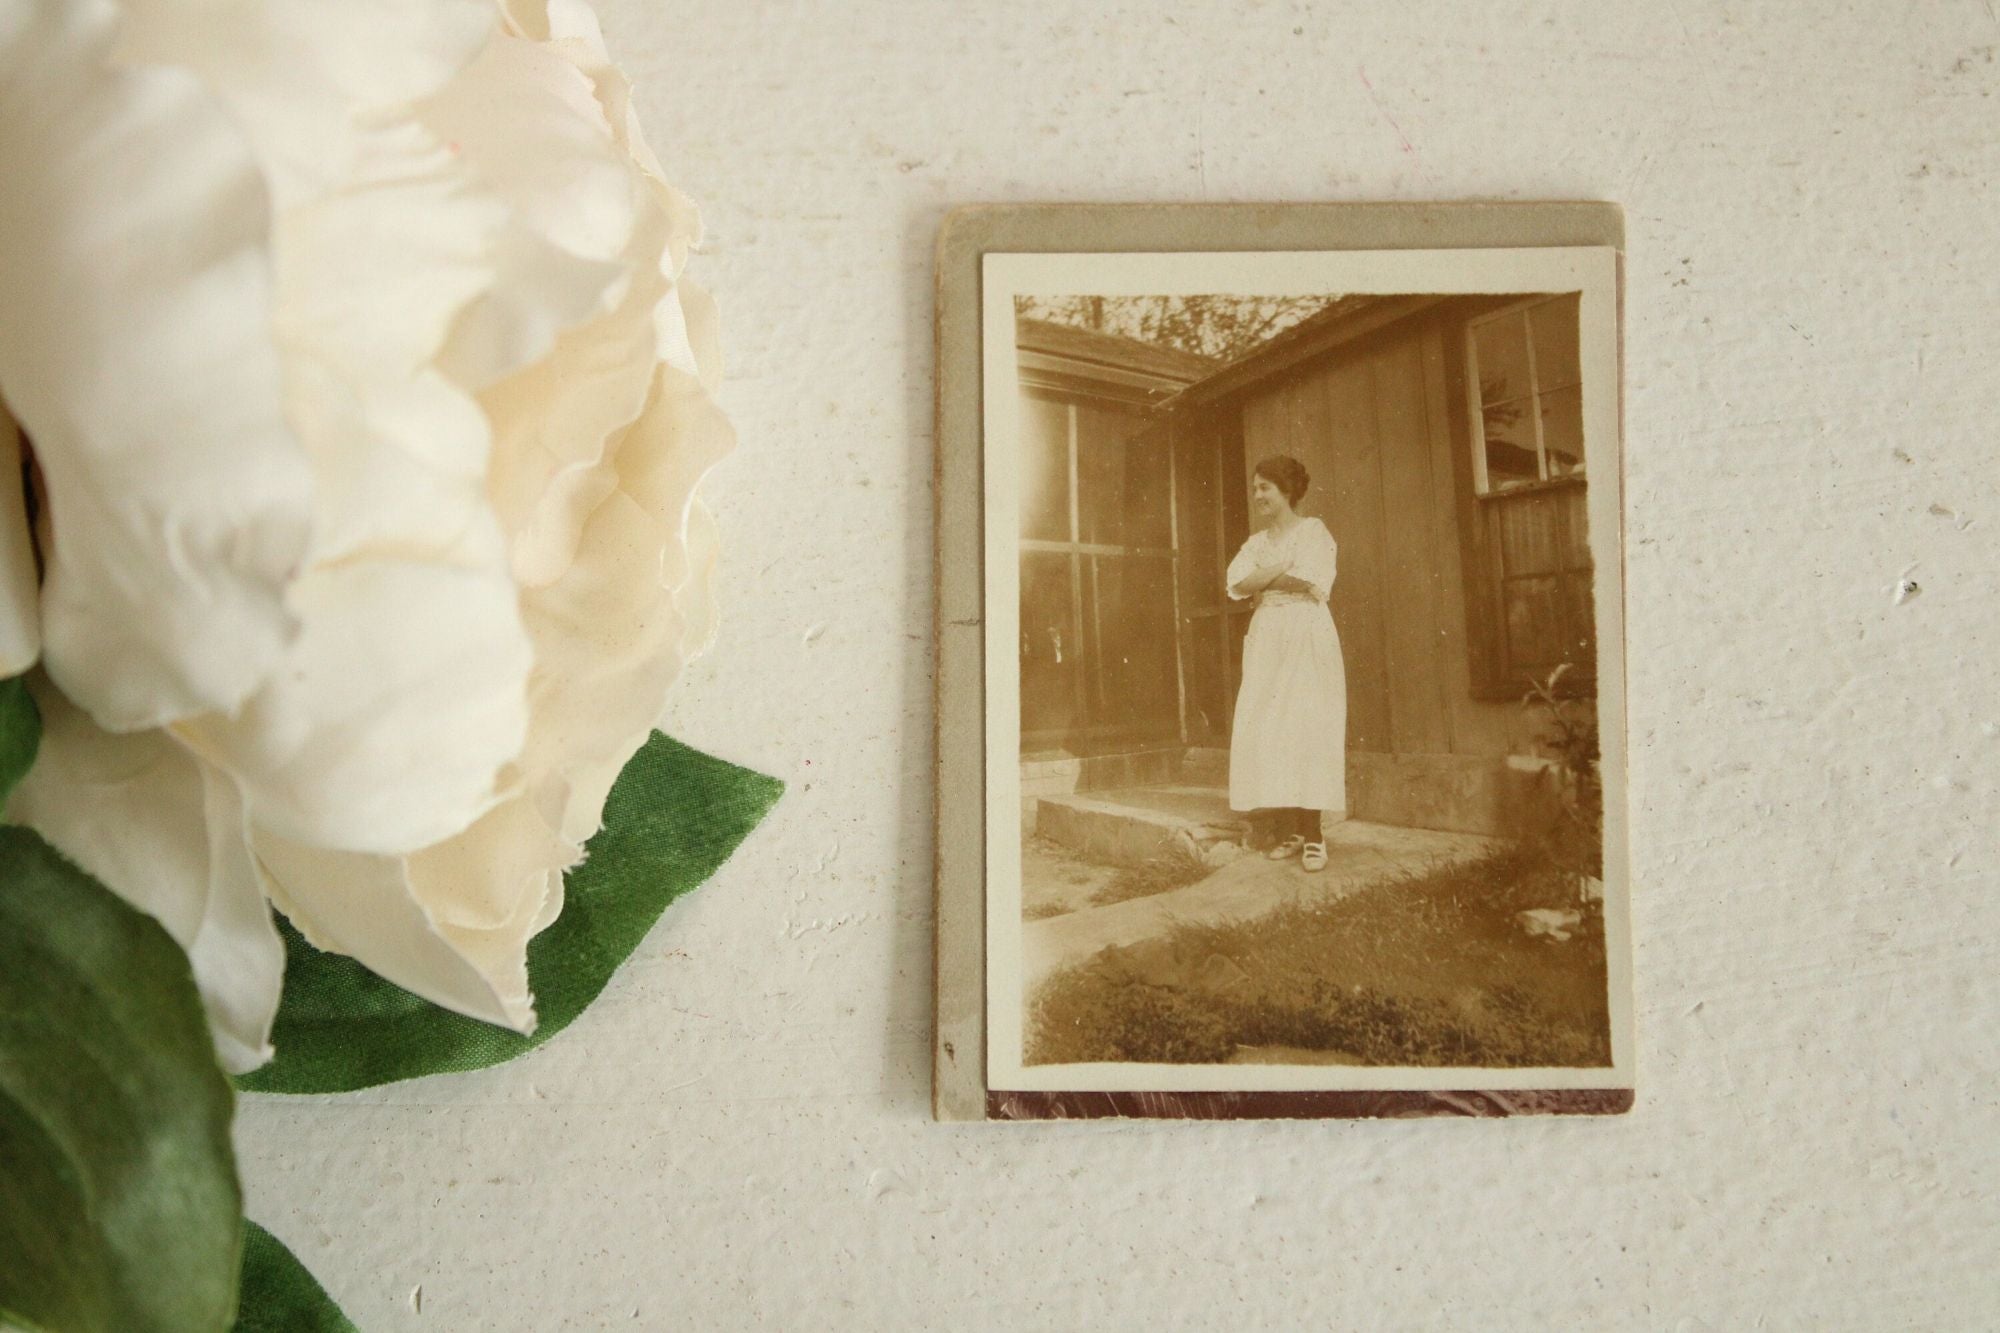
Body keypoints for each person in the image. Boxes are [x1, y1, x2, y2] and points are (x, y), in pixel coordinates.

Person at [1224, 455, 1347, 872]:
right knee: (1273, 729)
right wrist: (1280, 566)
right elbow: (1237, 582)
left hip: (1305, 631)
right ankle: (1296, 831)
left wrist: (1265, 576)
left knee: (1306, 725)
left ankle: (1315, 837)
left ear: (1287, 490)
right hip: (1268, 637)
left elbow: (1309, 580)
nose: (1257, 495)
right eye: (1254, 487)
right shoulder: (1256, 543)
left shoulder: (1314, 531)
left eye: (1265, 487)